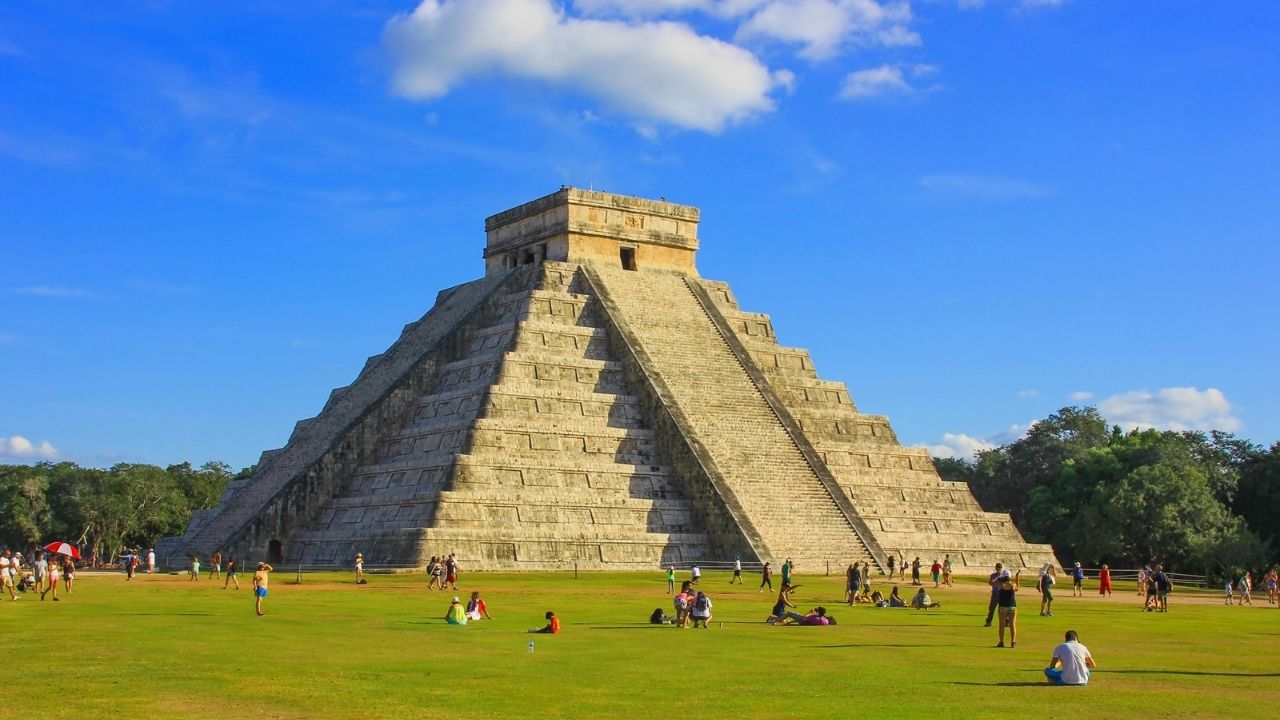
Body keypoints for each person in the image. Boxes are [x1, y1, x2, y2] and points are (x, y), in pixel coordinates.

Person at [995, 570, 1021, 648]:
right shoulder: (1012, 585)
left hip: (1002, 606)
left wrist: (999, 577)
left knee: (1001, 625)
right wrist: (1017, 577)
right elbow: (1017, 588)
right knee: (1012, 625)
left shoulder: (1000, 584)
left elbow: (992, 583)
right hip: (1012, 606)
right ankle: (1013, 642)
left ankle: (1001, 642)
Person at [984, 562, 1010, 627]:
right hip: (995, 594)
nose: (998, 570)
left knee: (1003, 608)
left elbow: (1006, 581)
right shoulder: (993, 575)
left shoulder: (1005, 574)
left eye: (1000, 568)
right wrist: (998, 579)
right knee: (991, 608)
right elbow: (991, 583)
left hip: (1003, 594)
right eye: (997, 568)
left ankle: (1006, 622)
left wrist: (999, 579)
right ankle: (988, 622)